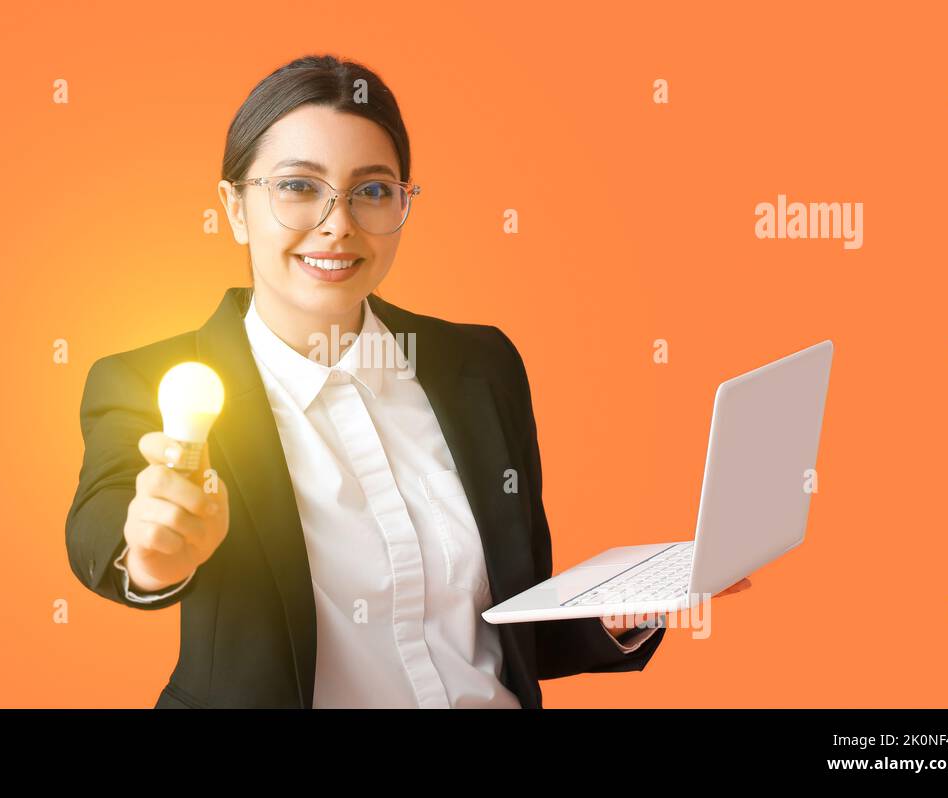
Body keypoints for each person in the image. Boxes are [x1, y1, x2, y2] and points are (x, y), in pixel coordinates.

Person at [65, 54, 747, 709]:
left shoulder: (480, 365)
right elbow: (105, 536)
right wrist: (158, 553)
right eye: (299, 187)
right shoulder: (146, 382)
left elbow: (502, 620)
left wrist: (617, 607)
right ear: (235, 205)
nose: (338, 225)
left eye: (371, 191)